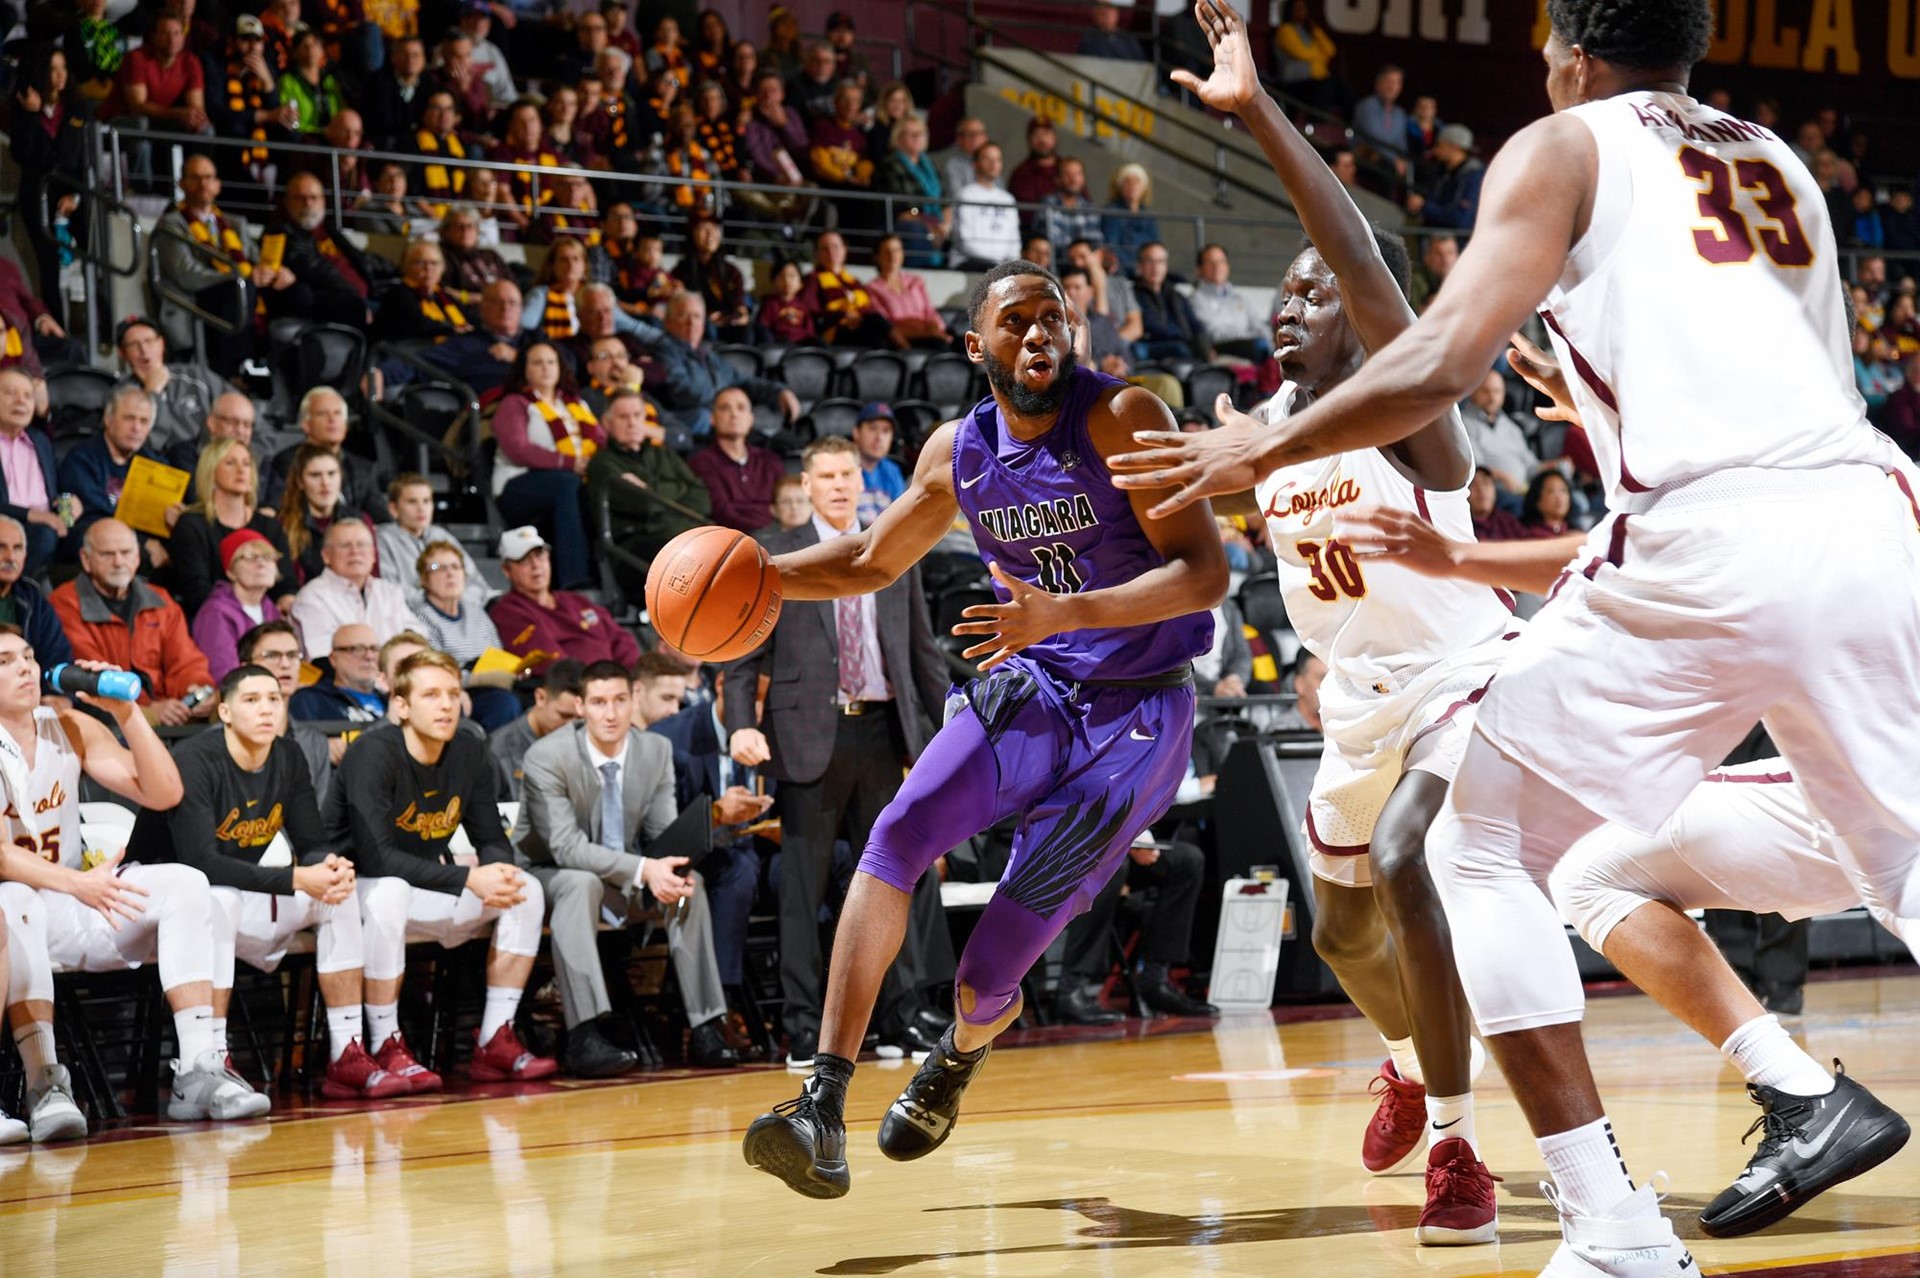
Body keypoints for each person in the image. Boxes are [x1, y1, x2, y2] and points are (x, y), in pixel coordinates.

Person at [1113, 0, 1919, 1263]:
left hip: (1698, 547)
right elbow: (1772, 387)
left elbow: (1432, 356)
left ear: (1572, 53)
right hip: (1869, 517)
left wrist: (1261, 443)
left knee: (1476, 844)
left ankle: (1607, 1227)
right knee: (1894, 867)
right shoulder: (1775, 158)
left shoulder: (1564, 145)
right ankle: (1782, 1098)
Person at [1122, 13, 1502, 1246]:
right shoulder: (1263, 431)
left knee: (1402, 865)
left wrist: (1258, 115)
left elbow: (1366, 268)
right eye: (1279, 296)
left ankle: (1460, 1148)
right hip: (1359, 700)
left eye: (1311, 292)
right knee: (1337, 925)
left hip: (1467, 677)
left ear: (1357, 309)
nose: (1289, 309)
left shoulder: (1410, 413)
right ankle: (1404, 1061)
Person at [740, 264, 1226, 1197]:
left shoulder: (1125, 417)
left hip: (1140, 711)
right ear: (977, 347)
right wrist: (763, 574)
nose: (1041, 334)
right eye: (1017, 322)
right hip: (1037, 681)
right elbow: (870, 560)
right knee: (895, 836)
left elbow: (1204, 573)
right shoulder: (956, 451)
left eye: (1056, 317)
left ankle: (956, 1058)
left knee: (984, 975)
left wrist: (1066, 612)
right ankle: (821, 1103)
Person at [722, 436, 956, 1070]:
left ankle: (903, 1015)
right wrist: (739, 724)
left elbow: (921, 652)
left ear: (862, 478)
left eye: (847, 473)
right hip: (807, 736)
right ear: (806, 482)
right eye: (824, 475)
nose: (837, 485)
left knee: (894, 877)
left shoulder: (896, 542)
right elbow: (743, 656)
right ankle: (804, 1026)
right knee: (801, 888)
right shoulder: (776, 551)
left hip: (884, 731)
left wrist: (956, 723)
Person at [0, 628, 280, 1136]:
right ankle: (45, 1081)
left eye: (29, 656)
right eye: (5, 661)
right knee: (16, 898)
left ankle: (198, 1070)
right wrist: (76, 883)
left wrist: (128, 713)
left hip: (72, 905)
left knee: (188, 884)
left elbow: (164, 792)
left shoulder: (70, 724)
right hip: (16, 913)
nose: (25, 668)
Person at [134, 663, 404, 1100]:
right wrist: (299, 876)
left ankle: (347, 1050)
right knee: (216, 896)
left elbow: (311, 840)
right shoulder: (192, 760)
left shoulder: (288, 755)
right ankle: (211, 1056)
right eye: (251, 700)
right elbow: (201, 863)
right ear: (223, 711)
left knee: (339, 895)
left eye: (274, 700)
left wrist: (328, 866)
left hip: (241, 893)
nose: (266, 710)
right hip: (162, 900)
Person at [327, 649, 558, 1087]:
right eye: (431, 694)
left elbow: (490, 835)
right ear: (401, 706)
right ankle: (385, 1042)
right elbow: (376, 857)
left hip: (423, 883)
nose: (446, 704)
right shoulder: (372, 754)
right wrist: (471, 877)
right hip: (354, 889)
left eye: (453, 693)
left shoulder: (469, 748)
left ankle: (496, 1039)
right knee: (391, 891)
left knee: (524, 888)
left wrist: (497, 872)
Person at [513, 660, 742, 1075]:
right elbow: (565, 848)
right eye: (599, 702)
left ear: (635, 698)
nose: (611, 713)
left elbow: (661, 833)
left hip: (624, 873)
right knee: (581, 884)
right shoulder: (547, 756)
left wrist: (669, 865)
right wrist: (644, 869)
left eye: (619, 700)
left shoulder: (655, 749)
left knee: (690, 882)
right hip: (549, 874)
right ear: (580, 707)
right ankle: (584, 1033)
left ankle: (707, 1025)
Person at [52, 520, 214, 727]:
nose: (119, 562)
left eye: (126, 552)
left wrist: (196, 690)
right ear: (86, 559)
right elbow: (92, 677)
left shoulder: (161, 600)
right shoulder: (65, 603)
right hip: (106, 722)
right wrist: (148, 711)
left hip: (169, 718)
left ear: (137, 557)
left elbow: (185, 660)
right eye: (107, 554)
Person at [1054, 833, 1216, 1022]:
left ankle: (1155, 980)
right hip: (1069, 848)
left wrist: (1136, 839)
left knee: (1187, 859)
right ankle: (1070, 989)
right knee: (1108, 866)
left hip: (1119, 842)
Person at [153, 154, 291, 374]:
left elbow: (257, 261)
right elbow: (186, 275)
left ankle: (282, 364)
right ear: (182, 183)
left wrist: (277, 273)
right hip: (198, 300)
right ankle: (236, 368)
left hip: (238, 295)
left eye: (208, 177)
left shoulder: (235, 223)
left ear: (218, 185)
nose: (203, 184)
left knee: (292, 291)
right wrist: (237, 278)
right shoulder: (171, 224)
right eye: (195, 177)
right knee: (237, 289)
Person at [491, 342, 604, 591]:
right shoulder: (515, 403)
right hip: (518, 484)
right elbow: (518, 448)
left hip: (571, 480)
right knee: (568, 485)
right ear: (524, 369)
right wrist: (568, 463)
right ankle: (574, 579)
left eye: (551, 362)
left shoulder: (576, 405)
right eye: (537, 362)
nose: (545, 368)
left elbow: (601, 440)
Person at [586, 387, 709, 583]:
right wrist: (680, 489)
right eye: (623, 417)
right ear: (607, 423)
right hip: (635, 549)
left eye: (637, 415)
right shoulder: (602, 464)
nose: (632, 422)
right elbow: (646, 504)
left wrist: (652, 490)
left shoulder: (664, 453)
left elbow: (702, 499)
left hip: (681, 538)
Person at [172, 436, 293, 623]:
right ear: (211, 472)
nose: (241, 470)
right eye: (230, 463)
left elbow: (285, 583)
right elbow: (196, 592)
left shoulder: (270, 526)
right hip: (214, 621)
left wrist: (287, 599)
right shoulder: (192, 525)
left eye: (246, 464)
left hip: (267, 620)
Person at [487, 526, 639, 670]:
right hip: (576, 690)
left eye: (540, 555)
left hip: (616, 685)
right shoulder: (508, 612)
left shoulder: (576, 600)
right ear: (507, 570)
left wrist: (629, 678)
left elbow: (621, 639)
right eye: (524, 560)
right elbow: (554, 664)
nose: (536, 565)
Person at [648, 292, 801, 435]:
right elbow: (682, 391)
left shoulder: (707, 354)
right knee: (708, 416)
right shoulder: (664, 350)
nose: (691, 322)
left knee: (761, 412)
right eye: (683, 315)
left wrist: (779, 391)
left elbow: (742, 381)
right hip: (686, 425)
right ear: (668, 322)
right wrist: (726, 400)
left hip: (716, 421)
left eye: (697, 316)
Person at [53, 384, 169, 566]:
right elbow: (93, 512)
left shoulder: (154, 463)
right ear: (109, 419)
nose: (136, 428)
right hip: (95, 537)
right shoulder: (81, 458)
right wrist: (142, 542)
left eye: (144, 421)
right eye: (129, 418)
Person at [113, 318, 240, 470]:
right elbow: (142, 446)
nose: (144, 350)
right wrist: (151, 394)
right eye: (134, 345)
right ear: (122, 353)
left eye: (149, 341)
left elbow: (245, 413)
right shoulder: (119, 395)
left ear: (162, 344)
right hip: (154, 473)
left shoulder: (197, 377)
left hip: (209, 466)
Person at [291, 518, 424, 659]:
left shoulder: (389, 591)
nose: (355, 551)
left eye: (361, 544)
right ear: (326, 556)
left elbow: (417, 637)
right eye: (345, 545)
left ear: (373, 555)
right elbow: (323, 658)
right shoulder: (312, 598)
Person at [238, 620, 338, 797]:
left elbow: (318, 814)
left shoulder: (315, 743)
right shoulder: (220, 742)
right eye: (271, 655)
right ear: (245, 667)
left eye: (293, 655)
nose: (285, 664)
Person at [264, 172, 376, 327]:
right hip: (338, 302)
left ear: (323, 201)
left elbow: (359, 256)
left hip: (365, 297)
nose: (308, 203)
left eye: (313, 197)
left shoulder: (328, 229)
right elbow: (312, 267)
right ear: (287, 202)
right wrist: (355, 295)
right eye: (300, 198)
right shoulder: (281, 230)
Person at [376, 474, 489, 615]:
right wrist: (437, 602)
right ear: (394, 509)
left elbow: (477, 585)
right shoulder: (383, 539)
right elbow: (391, 591)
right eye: (412, 502)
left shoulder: (442, 536)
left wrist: (455, 605)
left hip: (457, 615)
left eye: (426, 501)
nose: (421, 508)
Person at [192, 528, 287, 680]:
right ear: (230, 571)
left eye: (268, 556)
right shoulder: (216, 612)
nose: (261, 563)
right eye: (250, 557)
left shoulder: (271, 610)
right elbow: (224, 674)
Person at [687, 386, 785, 533]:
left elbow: (784, 505)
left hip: (777, 536)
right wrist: (766, 518)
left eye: (741, 408)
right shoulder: (701, 462)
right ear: (712, 419)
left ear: (751, 419)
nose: (734, 414)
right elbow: (721, 512)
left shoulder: (770, 460)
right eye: (725, 408)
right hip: (731, 539)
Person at [277, 444, 373, 587]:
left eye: (332, 473)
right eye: (315, 475)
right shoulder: (282, 523)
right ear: (300, 482)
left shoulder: (361, 520)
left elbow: (373, 572)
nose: (325, 482)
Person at [490, 658, 583, 801]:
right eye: (564, 716)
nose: (572, 727)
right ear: (540, 698)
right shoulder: (499, 751)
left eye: (580, 718)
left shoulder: (592, 743)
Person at [0, 370, 64, 577]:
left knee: (93, 535)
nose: (21, 401)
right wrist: (33, 516)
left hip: (47, 527)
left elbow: (58, 493)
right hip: (8, 527)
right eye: (10, 393)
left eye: (28, 396)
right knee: (44, 535)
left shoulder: (40, 441)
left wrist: (69, 503)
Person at [0, 516, 70, 671]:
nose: (10, 557)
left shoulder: (32, 598)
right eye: (1, 547)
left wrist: (56, 693)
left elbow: (56, 657)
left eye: (17, 548)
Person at [672, 217, 752, 343]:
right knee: (708, 329)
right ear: (692, 234)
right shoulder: (681, 271)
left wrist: (729, 317)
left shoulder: (731, 271)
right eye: (704, 229)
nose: (710, 234)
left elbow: (741, 308)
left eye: (714, 229)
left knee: (747, 332)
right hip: (700, 322)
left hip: (728, 320)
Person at [1460, 368, 1538, 496]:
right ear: (1473, 392)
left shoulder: (1511, 426)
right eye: (1486, 391)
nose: (1492, 397)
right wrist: (1502, 477)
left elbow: (1531, 465)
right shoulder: (1464, 423)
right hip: (1490, 494)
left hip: (1523, 491)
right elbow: (1476, 467)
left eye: (1497, 391)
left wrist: (1550, 468)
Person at [289, 621, 386, 723]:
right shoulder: (309, 701)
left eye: (374, 649)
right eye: (357, 649)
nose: (369, 656)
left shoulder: (393, 702)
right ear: (333, 659)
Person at [865, 236, 952, 350]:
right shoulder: (872, 288)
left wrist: (938, 331)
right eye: (887, 251)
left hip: (931, 332)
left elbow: (930, 312)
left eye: (897, 250)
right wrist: (927, 332)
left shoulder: (916, 282)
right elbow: (885, 325)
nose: (893, 256)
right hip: (905, 338)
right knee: (940, 345)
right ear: (877, 257)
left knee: (967, 344)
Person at [1187, 244, 1269, 362]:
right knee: (1258, 346)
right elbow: (1213, 334)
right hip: (1220, 349)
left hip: (1251, 346)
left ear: (1227, 267)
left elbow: (1260, 327)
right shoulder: (1195, 300)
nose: (1217, 267)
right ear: (1199, 270)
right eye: (1210, 262)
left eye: (1221, 261)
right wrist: (1250, 336)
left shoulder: (1240, 299)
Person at [1130, 242, 1208, 362]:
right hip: (1151, 346)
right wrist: (1183, 337)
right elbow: (1150, 326)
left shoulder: (1176, 295)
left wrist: (1205, 345)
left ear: (1166, 266)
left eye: (1160, 262)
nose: (1155, 267)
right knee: (1183, 349)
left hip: (1181, 344)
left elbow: (1195, 325)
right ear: (1139, 266)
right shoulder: (1132, 294)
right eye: (1149, 261)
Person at [949, 144, 1020, 270]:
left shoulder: (1008, 199)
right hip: (968, 262)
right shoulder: (966, 195)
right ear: (975, 164)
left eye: (997, 159)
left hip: (1000, 266)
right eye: (987, 158)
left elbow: (1014, 241)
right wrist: (997, 263)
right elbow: (966, 241)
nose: (993, 164)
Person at [1408, 125, 1485, 231]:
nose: (1435, 150)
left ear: (1454, 147)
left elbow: (1461, 219)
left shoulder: (1473, 176)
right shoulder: (1443, 172)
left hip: (1460, 240)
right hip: (1438, 234)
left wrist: (1425, 206)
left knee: (1444, 247)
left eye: (1440, 145)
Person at [1037, 157, 1103, 261]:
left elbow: (1095, 241)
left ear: (1083, 178)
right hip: (1057, 263)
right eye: (1068, 174)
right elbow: (1050, 239)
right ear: (1058, 179)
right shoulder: (1047, 203)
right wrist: (1076, 251)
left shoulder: (1090, 208)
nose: (1073, 179)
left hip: (1084, 261)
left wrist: (1082, 251)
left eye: (1078, 174)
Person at [852, 403, 906, 526]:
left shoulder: (892, 471)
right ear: (856, 432)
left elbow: (901, 520)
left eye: (886, 431)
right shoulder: (841, 467)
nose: (879, 437)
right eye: (873, 428)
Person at [1352, 63, 1409, 178]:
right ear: (1378, 84)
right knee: (1387, 168)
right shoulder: (1367, 105)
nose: (1392, 87)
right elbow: (1375, 139)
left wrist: (1403, 159)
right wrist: (1394, 159)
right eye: (1389, 81)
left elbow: (1402, 143)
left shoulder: (1400, 113)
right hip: (1367, 157)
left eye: (1397, 82)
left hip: (1390, 161)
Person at [1101, 165, 1161, 268]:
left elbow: (1156, 245)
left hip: (1147, 268)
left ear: (1144, 187)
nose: (1132, 186)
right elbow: (1111, 246)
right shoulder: (1112, 212)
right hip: (1123, 268)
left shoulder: (1148, 216)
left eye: (1137, 181)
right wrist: (1137, 265)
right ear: (1120, 187)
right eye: (1127, 182)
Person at [1007, 116, 1060, 208]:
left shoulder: (1068, 169)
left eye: (1046, 133)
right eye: (1036, 134)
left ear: (1055, 138)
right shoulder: (1021, 174)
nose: (1042, 140)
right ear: (1029, 140)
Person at [1077, 2, 1146, 60]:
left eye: (1109, 10)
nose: (1105, 14)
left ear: (1116, 14)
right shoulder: (1089, 38)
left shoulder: (1128, 38)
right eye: (1101, 12)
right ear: (1095, 16)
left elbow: (1140, 60)